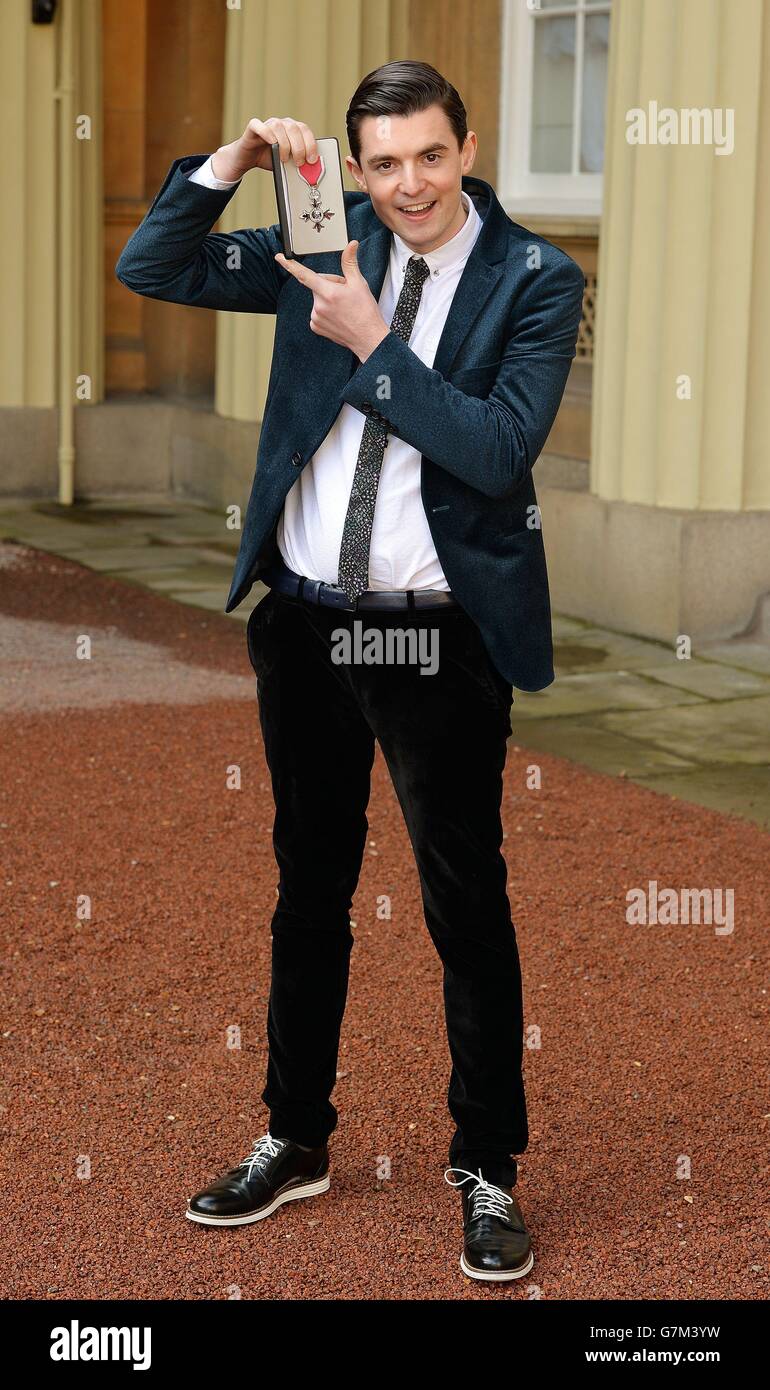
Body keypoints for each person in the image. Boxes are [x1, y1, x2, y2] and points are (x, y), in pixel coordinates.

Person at [116, 59, 584, 1283]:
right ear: (356, 166)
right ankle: (294, 1134)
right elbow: (151, 268)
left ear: (465, 147)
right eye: (380, 163)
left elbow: (492, 449)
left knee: (461, 905)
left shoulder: (533, 278)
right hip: (309, 624)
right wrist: (229, 168)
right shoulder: (325, 239)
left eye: (428, 156)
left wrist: (375, 341)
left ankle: (485, 1165)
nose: (406, 185)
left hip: (435, 637)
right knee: (305, 892)